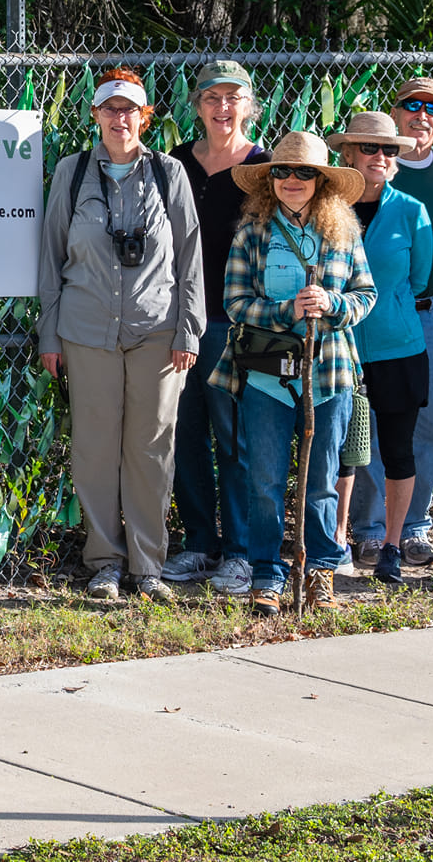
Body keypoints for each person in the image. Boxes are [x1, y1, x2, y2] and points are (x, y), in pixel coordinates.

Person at [39, 68, 205, 602]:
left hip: (157, 331)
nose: (120, 119)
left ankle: (148, 565)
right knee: (94, 449)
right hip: (86, 331)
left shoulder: (169, 173)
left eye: (129, 109)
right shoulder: (72, 172)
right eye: (110, 109)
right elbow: (52, 258)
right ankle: (105, 562)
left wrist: (190, 328)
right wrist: (50, 334)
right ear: (94, 116)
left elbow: (190, 258)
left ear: (145, 117)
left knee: (151, 448)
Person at [211, 131, 377, 614]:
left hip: (329, 377)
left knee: (322, 479)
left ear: (322, 180)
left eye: (305, 172)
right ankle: (267, 575)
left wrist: (332, 303)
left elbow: (366, 295)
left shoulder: (343, 233)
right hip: (267, 376)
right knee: (263, 481)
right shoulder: (252, 233)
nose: (292, 180)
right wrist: (286, 310)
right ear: (270, 179)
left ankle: (320, 573)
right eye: (282, 171)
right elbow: (235, 303)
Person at [349, 76, 433, 568]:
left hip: (425, 314)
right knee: (364, 430)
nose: (422, 114)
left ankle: (413, 527)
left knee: (424, 425)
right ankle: (371, 529)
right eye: (412, 105)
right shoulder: (351, 187)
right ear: (395, 113)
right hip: (357, 320)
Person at [167, 60, 270, 594]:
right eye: (212, 97)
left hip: (238, 325)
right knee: (184, 435)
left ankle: (241, 552)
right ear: (197, 104)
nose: (222, 108)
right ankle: (200, 545)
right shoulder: (174, 164)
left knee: (236, 441)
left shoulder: (268, 167)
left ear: (248, 105)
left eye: (233, 98)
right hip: (178, 323)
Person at [327, 112, 432, 585]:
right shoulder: (327, 207)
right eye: (370, 148)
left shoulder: (412, 211)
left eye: (390, 150)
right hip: (340, 347)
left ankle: (390, 546)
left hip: (399, 348)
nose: (381, 158)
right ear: (347, 154)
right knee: (341, 451)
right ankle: (336, 540)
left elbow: (420, 278)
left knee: (398, 450)